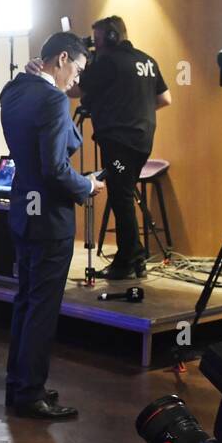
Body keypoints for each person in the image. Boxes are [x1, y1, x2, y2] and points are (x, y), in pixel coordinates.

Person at [0, 31, 101, 420]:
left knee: (25, 302)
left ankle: (19, 384)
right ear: (61, 58)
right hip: (52, 219)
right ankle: (30, 393)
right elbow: (58, 168)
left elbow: (62, 142)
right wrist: (88, 185)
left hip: (23, 209)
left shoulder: (13, 90)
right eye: (77, 68)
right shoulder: (54, 100)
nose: (77, 79)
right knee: (42, 309)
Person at [75, 16, 170, 280]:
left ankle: (129, 259)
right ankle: (134, 257)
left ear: (112, 37)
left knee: (121, 195)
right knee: (123, 192)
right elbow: (165, 98)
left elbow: (75, 91)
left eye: (97, 40)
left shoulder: (107, 62)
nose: (95, 45)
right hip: (142, 142)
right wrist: (136, 108)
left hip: (118, 142)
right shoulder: (148, 60)